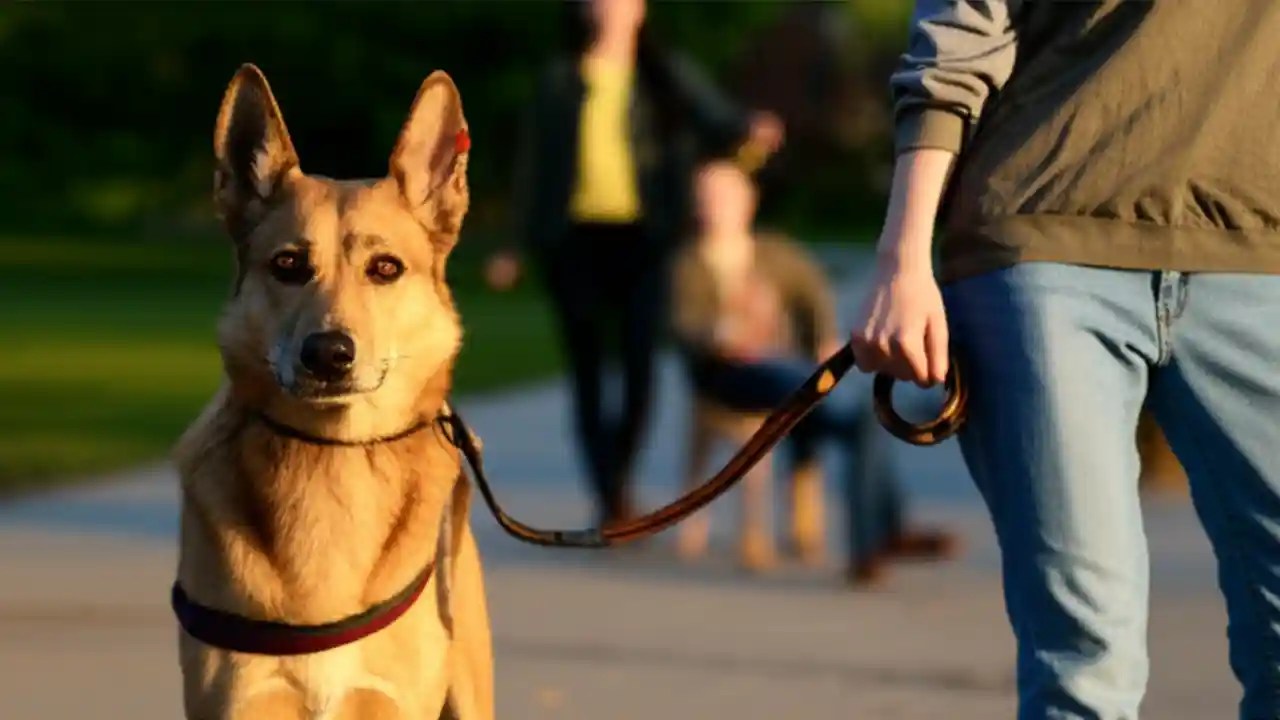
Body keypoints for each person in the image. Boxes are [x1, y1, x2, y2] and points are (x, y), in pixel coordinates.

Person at [852, 1, 1280, 716]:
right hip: (1044, 241)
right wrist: (903, 258)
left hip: (1258, 255)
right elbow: (960, 30)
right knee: (1086, 655)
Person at [499, 0, 784, 527]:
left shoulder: (664, 74)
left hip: (647, 239)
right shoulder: (559, 80)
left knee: (638, 368)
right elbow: (532, 166)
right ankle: (609, 495)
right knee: (587, 372)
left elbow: (719, 120)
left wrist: (752, 127)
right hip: (574, 240)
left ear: (641, 10)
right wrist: (515, 246)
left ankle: (622, 477)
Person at [673, 159, 957, 586]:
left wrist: (822, 336)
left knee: (861, 418)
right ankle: (880, 536)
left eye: (727, 195)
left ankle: (881, 535)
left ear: (748, 202)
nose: (718, 206)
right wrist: (719, 335)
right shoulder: (687, 264)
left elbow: (811, 289)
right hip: (729, 377)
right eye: (709, 197)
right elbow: (683, 325)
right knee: (846, 411)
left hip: (785, 368)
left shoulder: (772, 253)